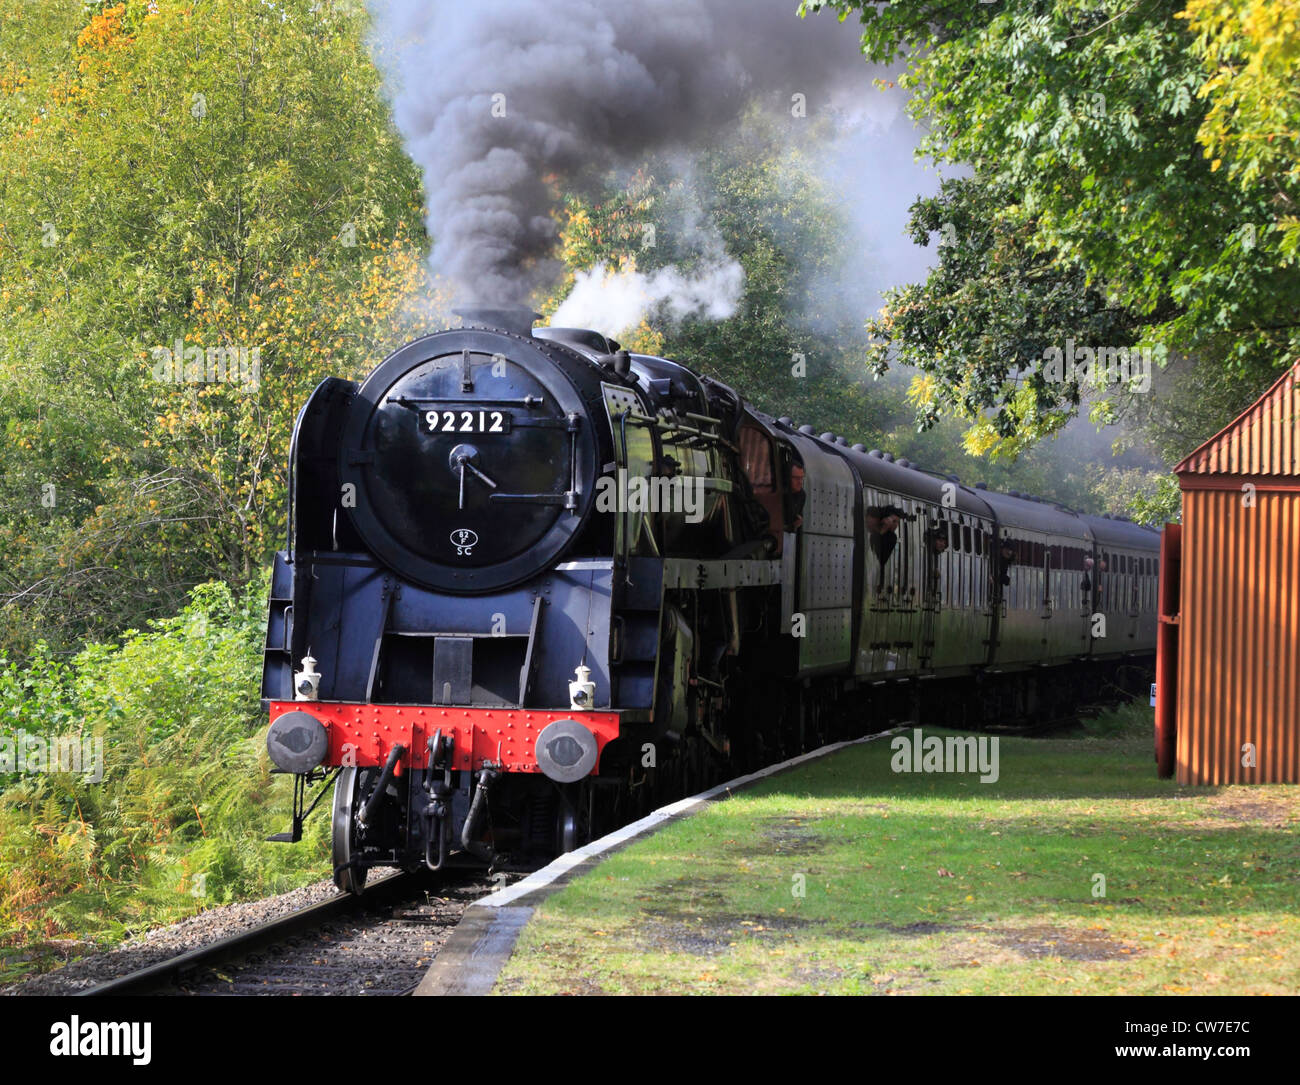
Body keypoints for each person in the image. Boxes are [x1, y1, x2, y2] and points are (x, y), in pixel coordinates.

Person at [866, 504, 904, 591]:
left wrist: (883, 530)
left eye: (897, 522)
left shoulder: (891, 537)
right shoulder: (872, 532)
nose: (896, 525)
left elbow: (878, 558)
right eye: (894, 521)